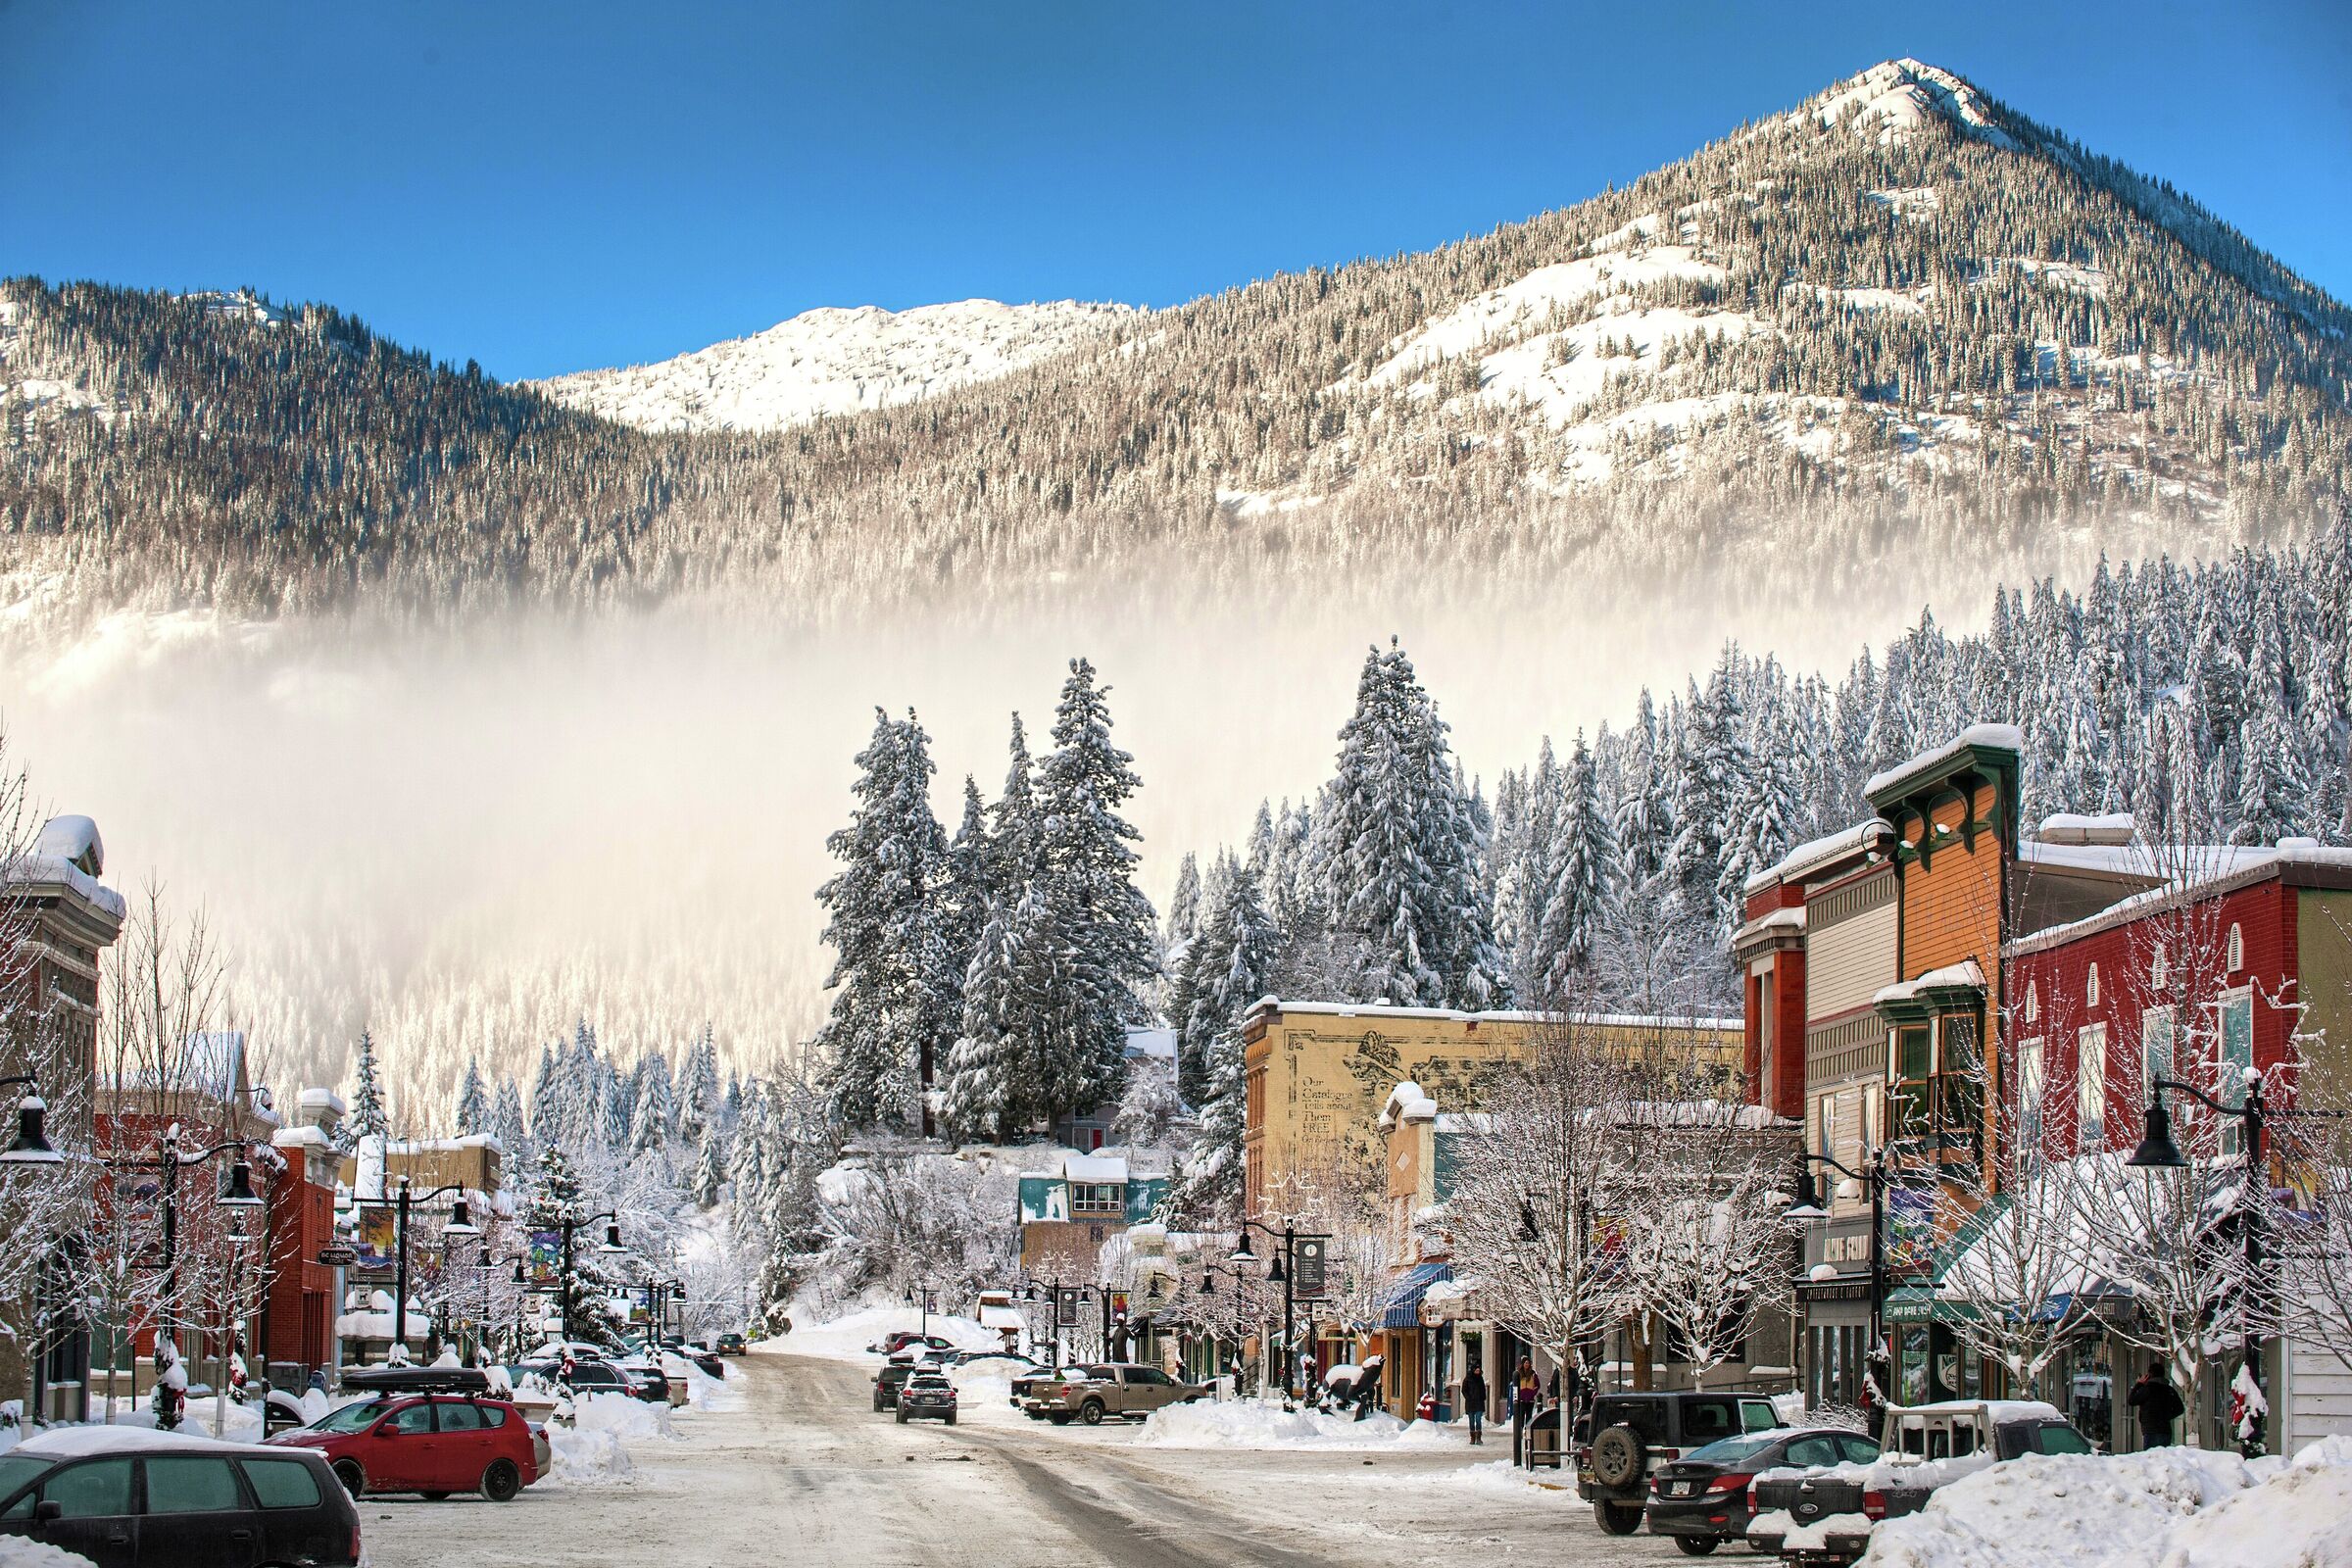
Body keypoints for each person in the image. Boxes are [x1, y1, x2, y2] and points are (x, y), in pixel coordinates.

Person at [2128, 1361, 2184, 1448]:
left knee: (2151, 1458)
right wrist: (2166, 1416)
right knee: (2163, 1458)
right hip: (2165, 1429)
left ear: (2149, 1375)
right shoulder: (2169, 1390)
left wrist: (2139, 1384)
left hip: (2150, 1429)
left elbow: (2131, 1401)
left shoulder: (2147, 1389)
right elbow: (2180, 1408)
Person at [1511, 1357, 1540, 1466]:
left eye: (1528, 1363)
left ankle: (1526, 1430)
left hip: (1530, 1398)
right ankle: (1520, 1430)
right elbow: (1515, 1385)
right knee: (1521, 1415)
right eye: (1525, 1363)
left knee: (1529, 1416)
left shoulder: (1533, 1374)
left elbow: (1537, 1385)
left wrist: (1533, 1392)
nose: (1527, 1364)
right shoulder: (1518, 1374)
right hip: (1522, 1398)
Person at [1461, 1363, 1489, 1446]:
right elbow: (1464, 1390)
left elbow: (1483, 1390)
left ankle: (1479, 1437)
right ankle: (1472, 1437)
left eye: (1478, 1370)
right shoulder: (1467, 1379)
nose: (1477, 1372)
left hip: (1479, 1403)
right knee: (1472, 1421)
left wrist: (1483, 1398)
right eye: (1476, 1370)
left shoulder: (1480, 1379)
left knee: (1478, 1419)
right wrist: (1468, 1397)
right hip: (1470, 1403)